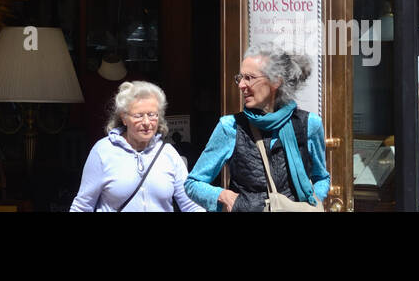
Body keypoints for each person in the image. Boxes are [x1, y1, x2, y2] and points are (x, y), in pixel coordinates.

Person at [185, 49, 330, 212]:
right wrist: (223, 195)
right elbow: (193, 183)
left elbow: (321, 177)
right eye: (240, 78)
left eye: (250, 78)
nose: (241, 85)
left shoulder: (309, 124)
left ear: (276, 82)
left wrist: (312, 202)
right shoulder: (230, 126)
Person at [70, 80, 205, 212]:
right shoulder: (103, 151)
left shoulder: (168, 153)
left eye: (152, 115)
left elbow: (191, 204)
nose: (146, 122)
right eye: (138, 116)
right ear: (124, 118)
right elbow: (82, 206)